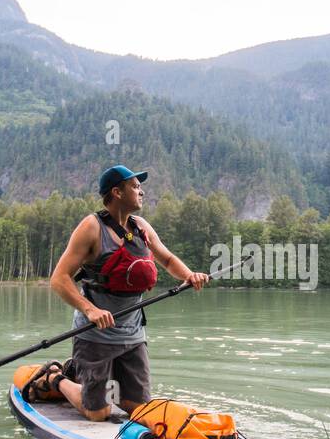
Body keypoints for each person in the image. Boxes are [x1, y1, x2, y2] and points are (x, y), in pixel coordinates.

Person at [45, 165, 209, 421]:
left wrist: (189, 275)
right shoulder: (91, 227)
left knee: (139, 409)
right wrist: (90, 309)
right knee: (98, 413)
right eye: (135, 186)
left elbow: (166, 259)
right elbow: (58, 279)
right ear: (117, 192)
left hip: (132, 335)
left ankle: (94, 381)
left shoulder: (141, 227)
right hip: (95, 335)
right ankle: (56, 378)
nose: (141, 191)